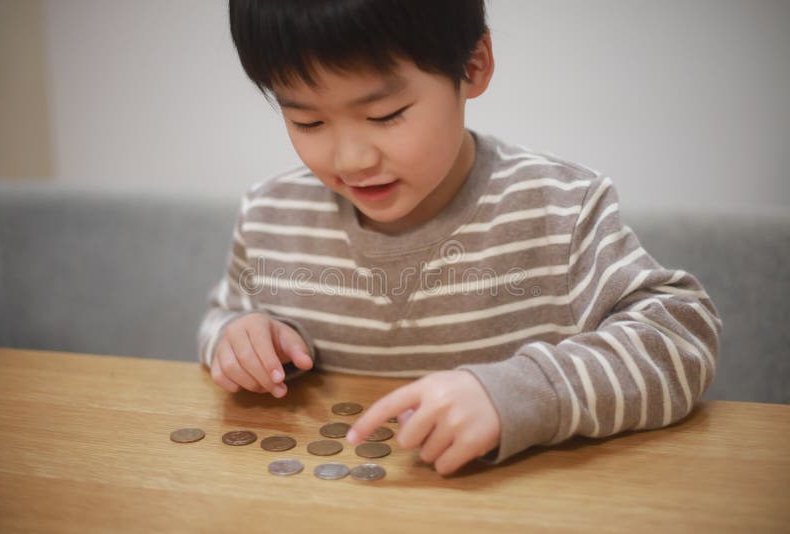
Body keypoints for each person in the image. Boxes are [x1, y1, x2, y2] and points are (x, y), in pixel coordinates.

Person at [197, 0, 722, 476]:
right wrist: (240, 337)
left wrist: (518, 396)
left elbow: (680, 339)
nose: (351, 159)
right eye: (307, 121)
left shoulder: (557, 207)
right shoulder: (271, 214)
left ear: (472, 67)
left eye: (386, 115)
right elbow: (223, 318)